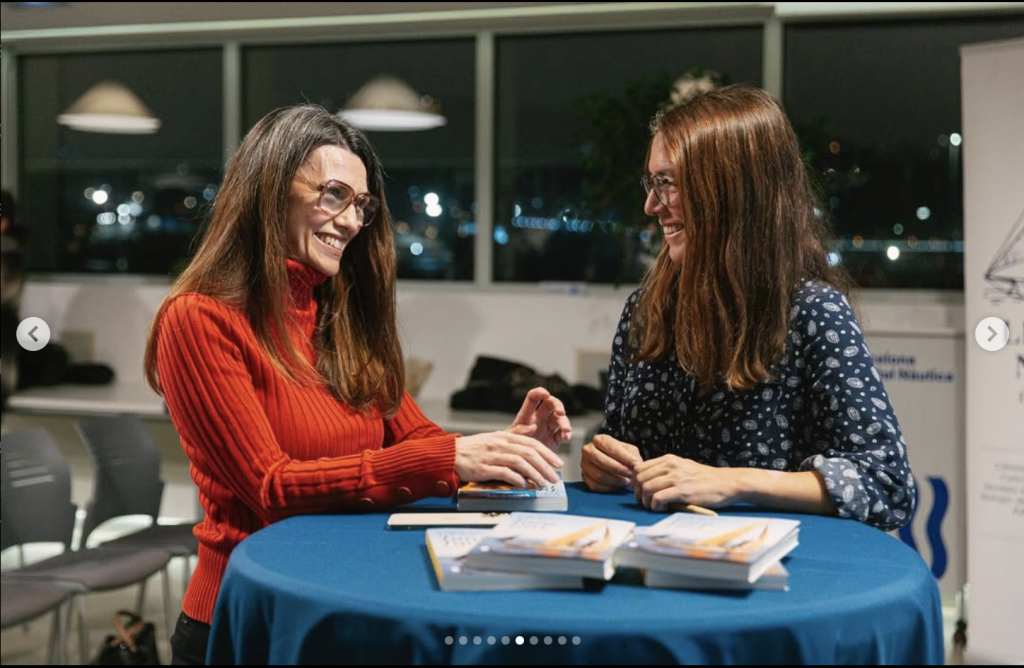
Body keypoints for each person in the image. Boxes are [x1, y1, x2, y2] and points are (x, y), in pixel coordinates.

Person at [144, 105, 572, 665]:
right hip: (251, 616)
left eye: (361, 204)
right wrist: (452, 457)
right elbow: (270, 489)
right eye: (333, 195)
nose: (349, 222)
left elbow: (418, 441)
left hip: (345, 602)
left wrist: (498, 453)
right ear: (269, 192)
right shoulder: (199, 318)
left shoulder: (341, 318)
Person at [581, 85, 915, 532]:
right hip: (650, 559)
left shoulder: (813, 313)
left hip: (765, 567)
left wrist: (734, 482)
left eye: (668, 184)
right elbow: (620, 450)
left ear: (729, 192)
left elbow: (887, 484)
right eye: (651, 182)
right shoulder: (646, 310)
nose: (651, 205)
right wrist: (603, 463)